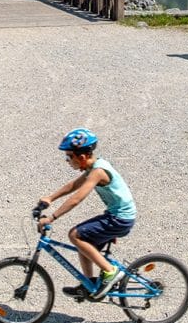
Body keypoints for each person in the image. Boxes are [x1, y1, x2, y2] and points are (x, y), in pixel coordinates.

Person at [32, 128, 138, 299]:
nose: (67, 161)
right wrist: (50, 198)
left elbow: (77, 198)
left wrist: (52, 217)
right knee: (84, 241)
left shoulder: (98, 172)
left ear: (81, 157)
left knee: (75, 234)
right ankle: (89, 284)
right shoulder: (93, 167)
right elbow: (73, 185)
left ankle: (111, 272)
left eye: (69, 157)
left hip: (120, 219)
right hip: (118, 216)